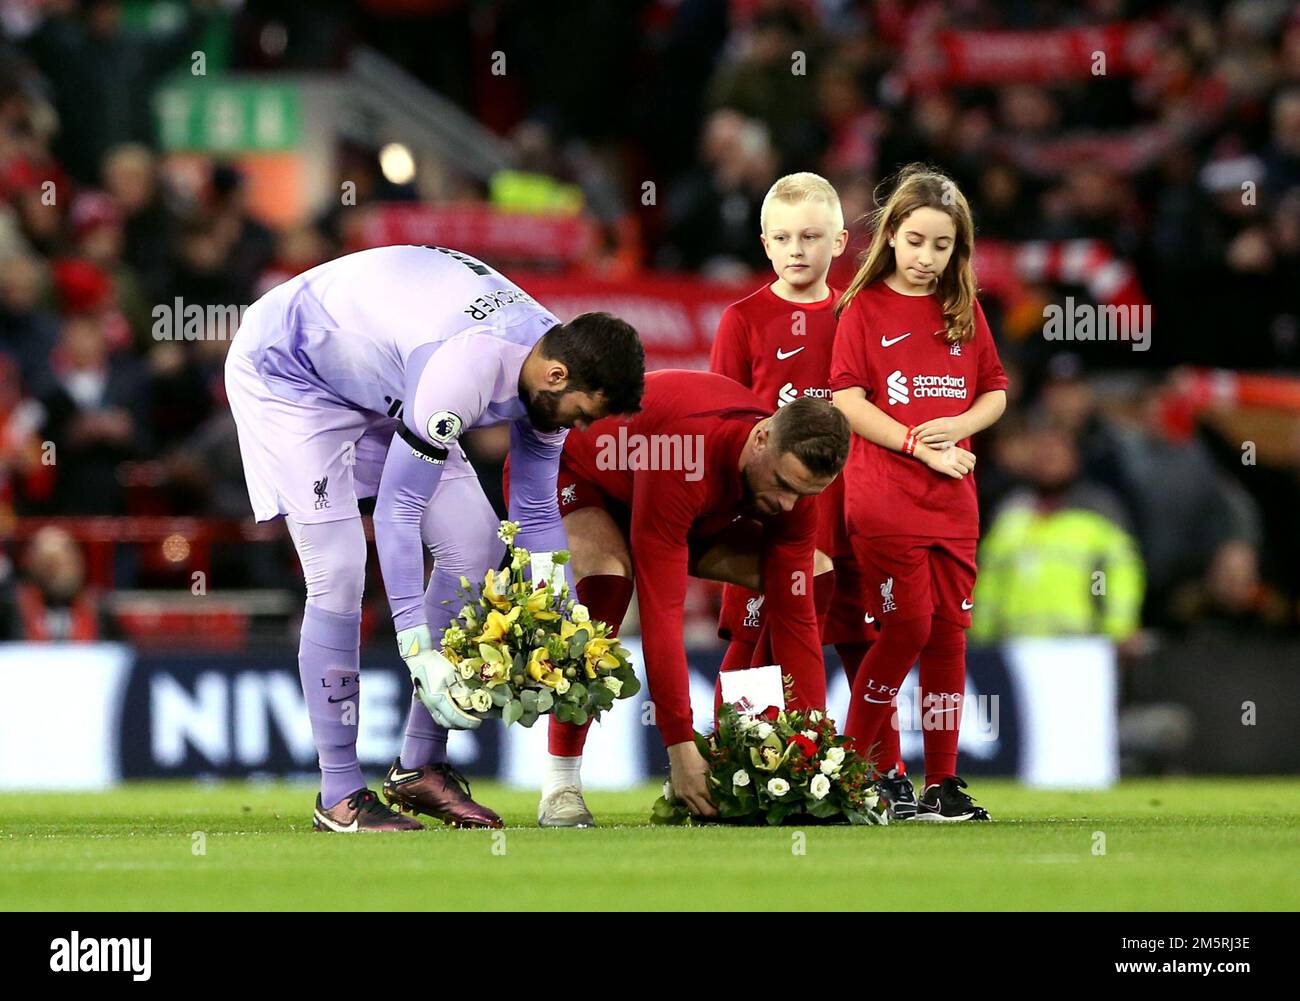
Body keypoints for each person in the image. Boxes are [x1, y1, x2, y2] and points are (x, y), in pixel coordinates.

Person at [225, 244, 644, 832]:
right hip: (292, 370)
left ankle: (419, 766)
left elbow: (534, 508)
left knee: (475, 543)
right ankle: (339, 793)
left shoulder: (555, 363)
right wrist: (417, 646)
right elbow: (399, 511)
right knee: (341, 567)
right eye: (580, 414)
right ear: (556, 375)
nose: (578, 427)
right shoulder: (466, 369)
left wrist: (565, 621)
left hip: (384, 375)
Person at [504, 370, 850, 826]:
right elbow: (662, 613)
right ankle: (561, 783)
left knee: (814, 574)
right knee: (611, 578)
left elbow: (797, 623)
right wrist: (679, 749)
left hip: (673, 501)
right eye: (784, 485)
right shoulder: (685, 454)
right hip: (568, 471)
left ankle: (746, 748)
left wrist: (811, 752)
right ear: (762, 437)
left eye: (805, 494)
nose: (789, 504)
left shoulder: (792, 490)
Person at [708, 170, 916, 819]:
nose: (797, 249)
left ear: (839, 241)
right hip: (773, 511)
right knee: (751, 638)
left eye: (810, 236)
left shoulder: (862, 314)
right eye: (784, 237)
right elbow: (722, 421)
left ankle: (888, 771)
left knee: (862, 637)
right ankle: (731, 767)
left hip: (853, 508)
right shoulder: (741, 320)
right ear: (765, 244)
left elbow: (881, 411)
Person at [830, 165, 1008, 822]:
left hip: (954, 502)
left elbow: (995, 390)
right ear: (891, 237)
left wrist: (959, 425)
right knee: (905, 625)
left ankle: (943, 781)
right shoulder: (864, 308)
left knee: (948, 637)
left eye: (943, 244)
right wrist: (913, 444)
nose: (928, 256)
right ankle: (860, 768)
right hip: (884, 497)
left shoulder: (964, 310)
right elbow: (846, 398)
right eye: (917, 240)